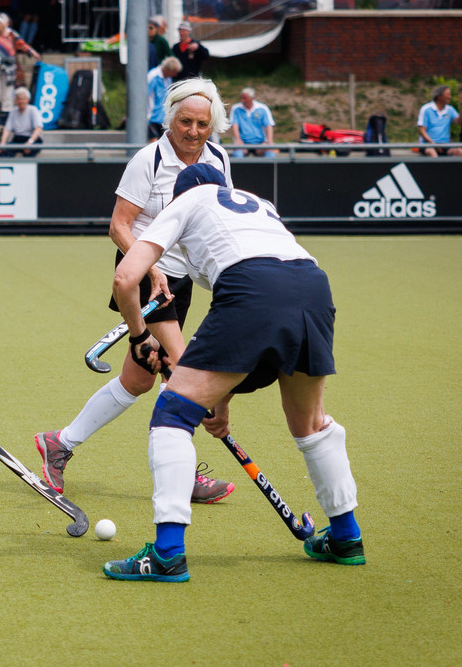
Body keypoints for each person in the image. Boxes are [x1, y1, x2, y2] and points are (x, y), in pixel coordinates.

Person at [102, 165, 363, 582]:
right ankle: (346, 537)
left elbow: (125, 277)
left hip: (253, 288)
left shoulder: (186, 201)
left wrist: (139, 339)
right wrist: (217, 401)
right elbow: (242, 347)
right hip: (312, 287)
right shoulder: (258, 205)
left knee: (171, 414)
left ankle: (168, 553)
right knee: (311, 424)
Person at [35, 78, 237, 504]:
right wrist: (152, 267)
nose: (194, 131)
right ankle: (182, 477)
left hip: (182, 279)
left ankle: (59, 443)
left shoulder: (218, 158)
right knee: (184, 372)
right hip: (143, 270)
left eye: (203, 123)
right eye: (185, 121)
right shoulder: (148, 159)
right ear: (171, 118)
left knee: (139, 379)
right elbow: (118, 225)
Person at [416, 84, 462, 157]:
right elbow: (422, 131)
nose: (450, 97)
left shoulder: (450, 109)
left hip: (445, 144)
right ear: (439, 97)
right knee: (432, 153)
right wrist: (434, 144)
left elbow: (460, 122)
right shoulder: (426, 109)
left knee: (460, 152)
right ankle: (435, 168)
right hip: (429, 144)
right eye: (448, 94)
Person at [228, 87, 276, 157]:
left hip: (261, 142)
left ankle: (270, 167)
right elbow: (234, 125)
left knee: (270, 151)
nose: (242, 100)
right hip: (243, 142)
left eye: (245, 98)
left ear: (252, 98)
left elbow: (269, 125)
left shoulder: (262, 108)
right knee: (238, 153)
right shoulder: (236, 108)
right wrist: (238, 139)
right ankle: (238, 167)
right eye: (241, 98)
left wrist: (270, 140)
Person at [0, 87, 43, 157]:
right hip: (18, 138)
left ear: (27, 100)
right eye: (18, 99)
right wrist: (2, 143)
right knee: (3, 153)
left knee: (29, 152)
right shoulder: (13, 112)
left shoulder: (33, 110)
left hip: (31, 138)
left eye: (23, 99)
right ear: (15, 100)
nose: (20, 101)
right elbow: (7, 129)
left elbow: (38, 128)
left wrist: (30, 142)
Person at [147, 57, 181, 140]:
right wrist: (147, 115)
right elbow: (146, 96)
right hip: (152, 116)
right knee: (154, 141)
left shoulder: (168, 78)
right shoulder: (153, 76)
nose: (175, 75)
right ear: (168, 70)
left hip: (162, 117)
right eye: (174, 72)